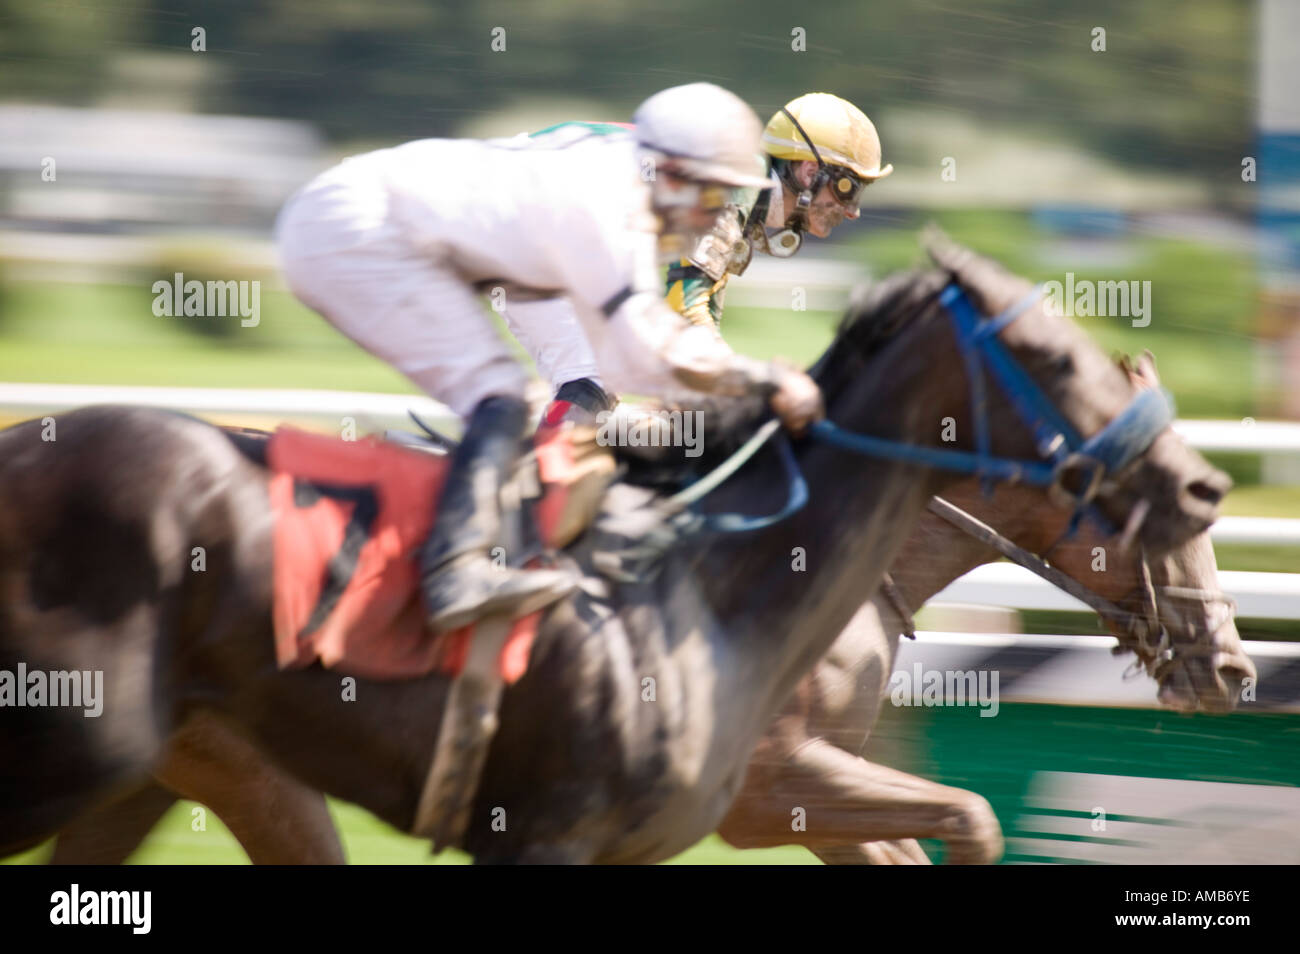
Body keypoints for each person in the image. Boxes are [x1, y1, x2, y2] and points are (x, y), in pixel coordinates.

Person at [276, 84, 824, 634]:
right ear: (674, 175)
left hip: (367, 220)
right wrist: (764, 380)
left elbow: (633, 362)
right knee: (503, 395)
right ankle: (457, 571)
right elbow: (646, 345)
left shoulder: (625, 184)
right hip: (356, 230)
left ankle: (509, 528)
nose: (714, 221)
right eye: (712, 200)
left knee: (540, 393)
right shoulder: (609, 207)